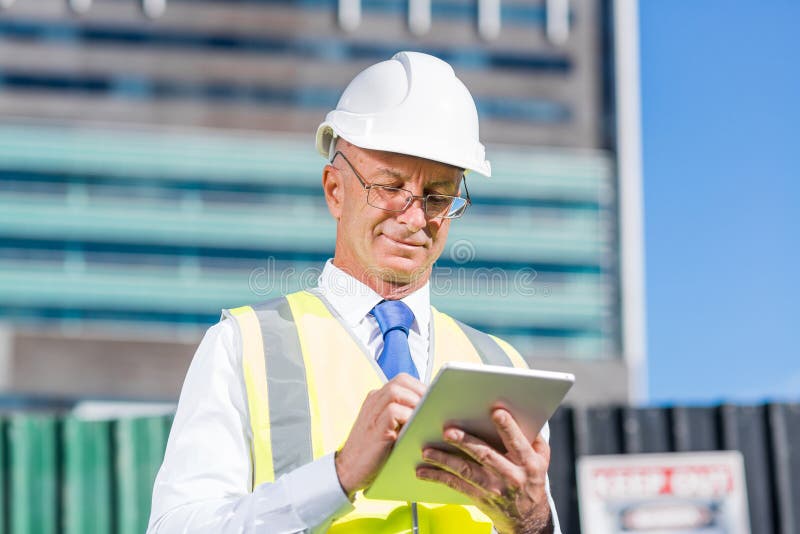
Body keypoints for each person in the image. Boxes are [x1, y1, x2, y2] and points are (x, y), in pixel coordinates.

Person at [148, 51, 561, 534]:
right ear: (334, 190)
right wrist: (338, 475)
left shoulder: (502, 366)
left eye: (438, 196)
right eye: (389, 186)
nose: (413, 218)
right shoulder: (243, 346)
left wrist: (534, 521)